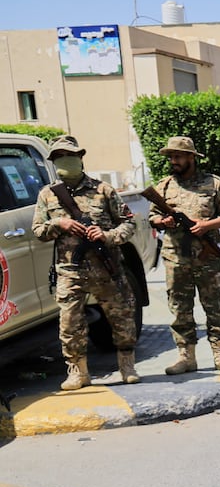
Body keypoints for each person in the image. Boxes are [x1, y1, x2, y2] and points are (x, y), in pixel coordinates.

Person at [32, 136, 140, 390]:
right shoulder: (48, 195)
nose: (64, 161)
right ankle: (78, 372)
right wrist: (58, 224)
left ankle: (127, 365)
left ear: (80, 158)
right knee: (70, 323)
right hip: (70, 270)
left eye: (68, 156)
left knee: (122, 317)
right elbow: (38, 231)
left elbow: (129, 222)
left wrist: (108, 236)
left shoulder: (104, 190)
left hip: (107, 268)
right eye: (58, 157)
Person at [147, 136, 220, 375]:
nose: (173, 160)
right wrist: (163, 220)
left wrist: (205, 225)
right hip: (175, 259)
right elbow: (152, 217)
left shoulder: (213, 183)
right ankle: (186, 356)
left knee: (215, 307)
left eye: (178, 156)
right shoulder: (165, 185)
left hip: (207, 258)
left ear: (191, 157)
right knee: (179, 309)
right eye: (171, 157)